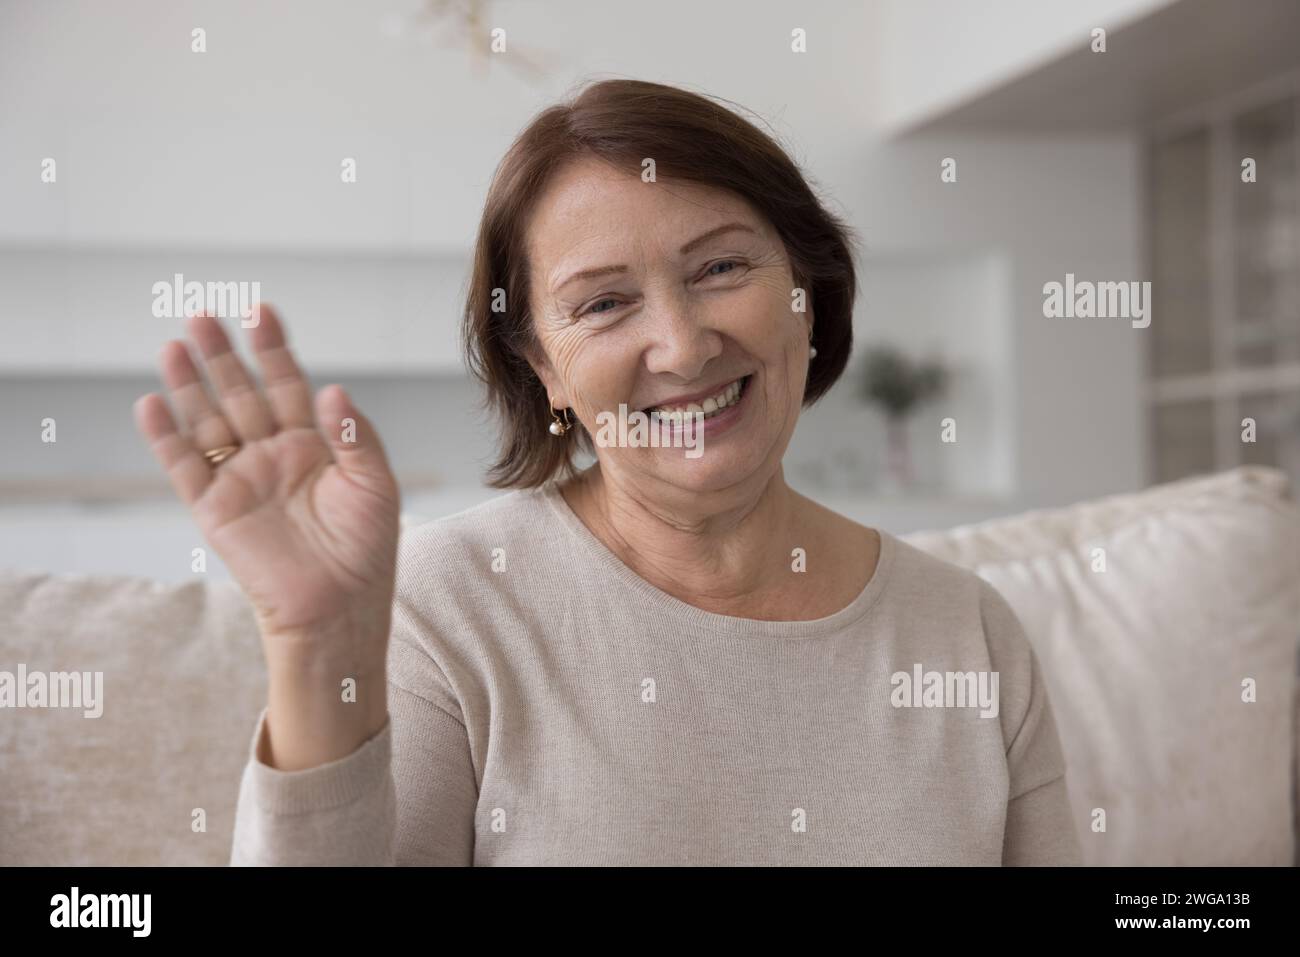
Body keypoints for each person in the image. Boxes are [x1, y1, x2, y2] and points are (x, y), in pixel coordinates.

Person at [133, 78, 1081, 866]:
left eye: (719, 269)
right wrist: (318, 651)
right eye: (604, 304)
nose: (680, 342)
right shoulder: (452, 604)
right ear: (543, 366)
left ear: (805, 292)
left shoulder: (968, 631)